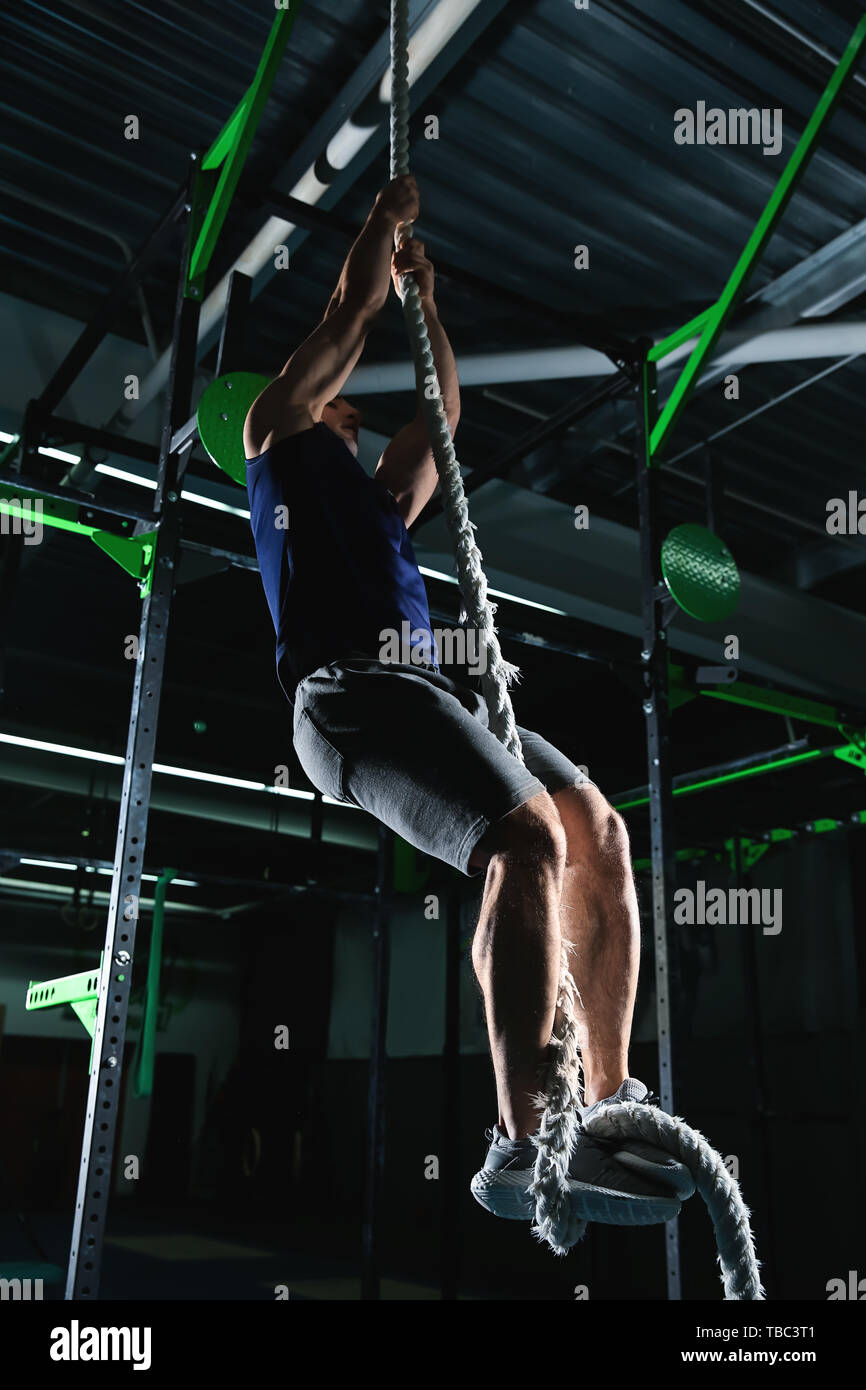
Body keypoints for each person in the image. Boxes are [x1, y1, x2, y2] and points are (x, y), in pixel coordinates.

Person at [243, 174, 694, 1226]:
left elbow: (441, 414)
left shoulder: (377, 504)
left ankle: (605, 1102)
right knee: (523, 841)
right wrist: (378, 229)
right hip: (345, 696)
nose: (351, 407)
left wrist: (430, 307)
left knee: (594, 828)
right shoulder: (277, 441)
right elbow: (343, 318)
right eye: (340, 399)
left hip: (428, 687)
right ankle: (522, 1134)